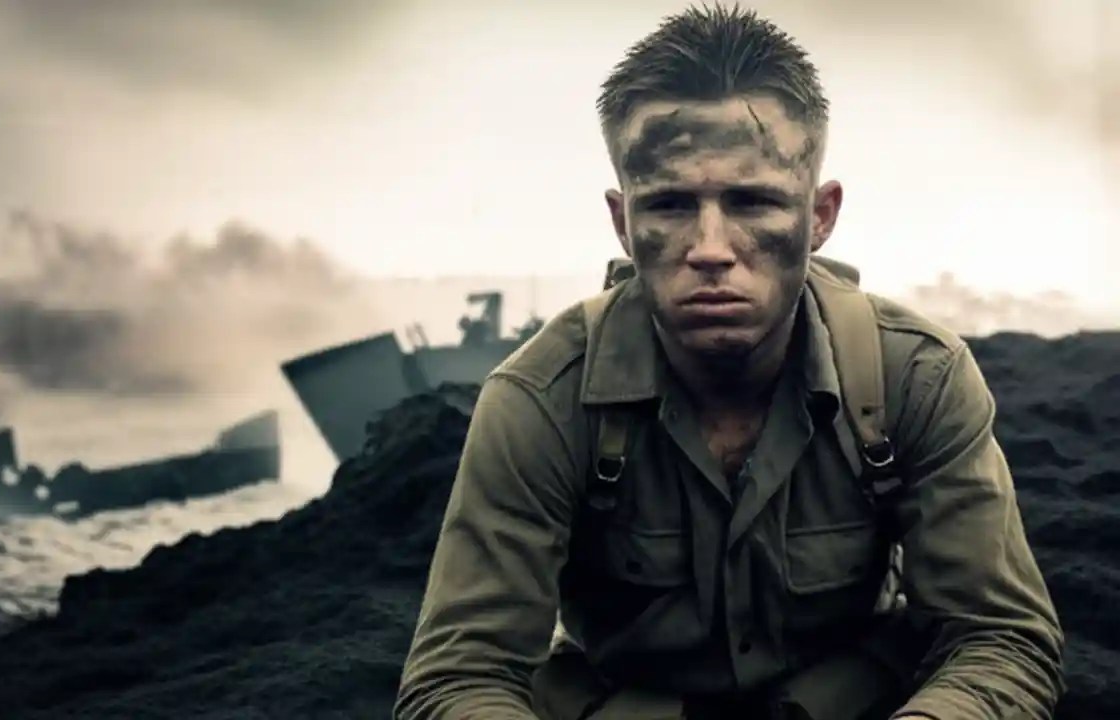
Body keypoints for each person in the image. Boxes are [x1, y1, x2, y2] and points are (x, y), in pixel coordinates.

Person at [394, 4, 1064, 719]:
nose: (710, 248)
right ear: (623, 223)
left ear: (820, 215)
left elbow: (1000, 638)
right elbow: (458, 679)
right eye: (671, 204)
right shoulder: (541, 400)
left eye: (752, 202)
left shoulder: (914, 378)